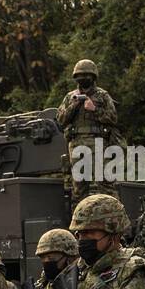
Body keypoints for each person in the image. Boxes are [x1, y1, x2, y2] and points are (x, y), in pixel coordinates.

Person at [56, 59, 124, 200]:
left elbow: (113, 118)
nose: (83, 78)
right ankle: (81, 220)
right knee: (78, 188)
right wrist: (74, 106)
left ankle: (113, 217)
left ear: (93, 77)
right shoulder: (70, 97)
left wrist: (94, 109)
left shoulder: (102, 95)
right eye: (80, 76)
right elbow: (61, 120)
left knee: (105, 183)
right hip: (76, 145)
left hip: (98, 143)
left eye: (87, 75)